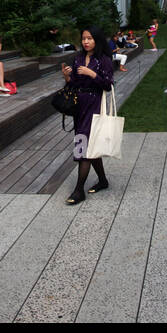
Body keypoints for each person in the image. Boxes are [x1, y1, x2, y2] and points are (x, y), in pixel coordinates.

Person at [60, 26, 114, 204]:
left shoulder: (104, 60)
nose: (86, 41)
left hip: (94, 104)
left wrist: (92, 73)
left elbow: (107, 84)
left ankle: (78, 190)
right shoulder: (78, 59)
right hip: (80, 106)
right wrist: (67, 77)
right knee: (88, 143)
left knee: (84, 147)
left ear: (97, 40)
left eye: (89, 38)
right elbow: (74, 84)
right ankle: (103, 181)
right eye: (84, 38)